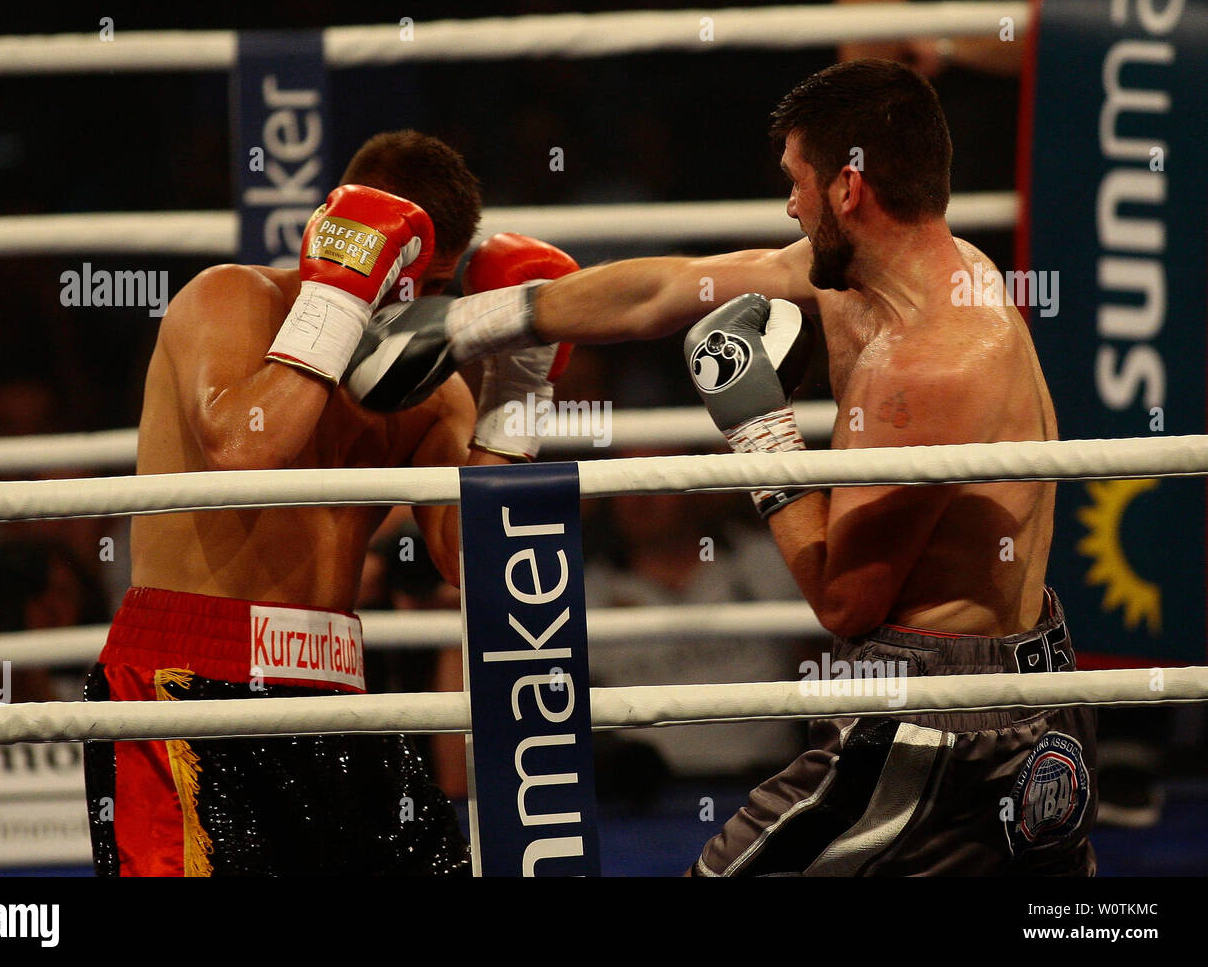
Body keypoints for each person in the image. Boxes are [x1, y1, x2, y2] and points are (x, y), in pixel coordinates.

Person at [351, 61, 1098, 876]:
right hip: (1028, 690)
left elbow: (844, 600)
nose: (789, 205)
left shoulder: (934, 367)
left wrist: (758, 428)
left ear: (848, 188)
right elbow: (664, 291)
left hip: (929, 716)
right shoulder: (913, 273)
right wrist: (480, 319)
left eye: (797, 181)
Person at [83, 129, 578, 876]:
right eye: (402, 281)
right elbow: (243, 447)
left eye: (436, 288)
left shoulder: (432, 388)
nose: (410, 308)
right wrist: (341, 298)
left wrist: (518, 389)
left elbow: (475, 563)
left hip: (337, 689)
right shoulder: (230, 297)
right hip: (186, 682)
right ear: (342, 239)